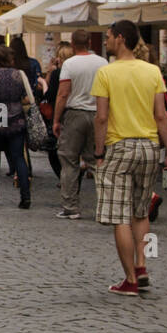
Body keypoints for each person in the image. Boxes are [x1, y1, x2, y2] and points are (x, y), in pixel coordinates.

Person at [91, 20, 167, 296]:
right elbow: (161, 115)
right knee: (141, 211)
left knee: (120, 216)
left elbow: (101, 117)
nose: (106, 42)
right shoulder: (153, 72)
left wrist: (99, 153)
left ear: (120, 39)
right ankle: (141, 264)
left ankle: (130, 279)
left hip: (120, 147)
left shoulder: (106, 73)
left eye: (108, 37)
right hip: (149, 148)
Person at [54, 30, 108, 219]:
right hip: (97, 114)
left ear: (73, 44)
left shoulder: (69, 64)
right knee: (96, 160)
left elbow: (63, 94)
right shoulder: (103, 62)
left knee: (69, 160)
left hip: (75, 114)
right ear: (89, 43)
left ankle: (71, 207)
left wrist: (56, 119)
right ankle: (106, 205)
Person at [0, 45, 33, 209]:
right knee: (18, 158)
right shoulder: (18, 75)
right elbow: (25, 99)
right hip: (16, 123)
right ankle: (25, 196)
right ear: (9, 59)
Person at [42, 44, 73, 181]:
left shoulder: (57, 74)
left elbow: (49, 95)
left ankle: (63, 177)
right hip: (74, 112)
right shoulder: (75, 71)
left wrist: (46, 78)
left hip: (58, 113)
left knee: (54, 149)